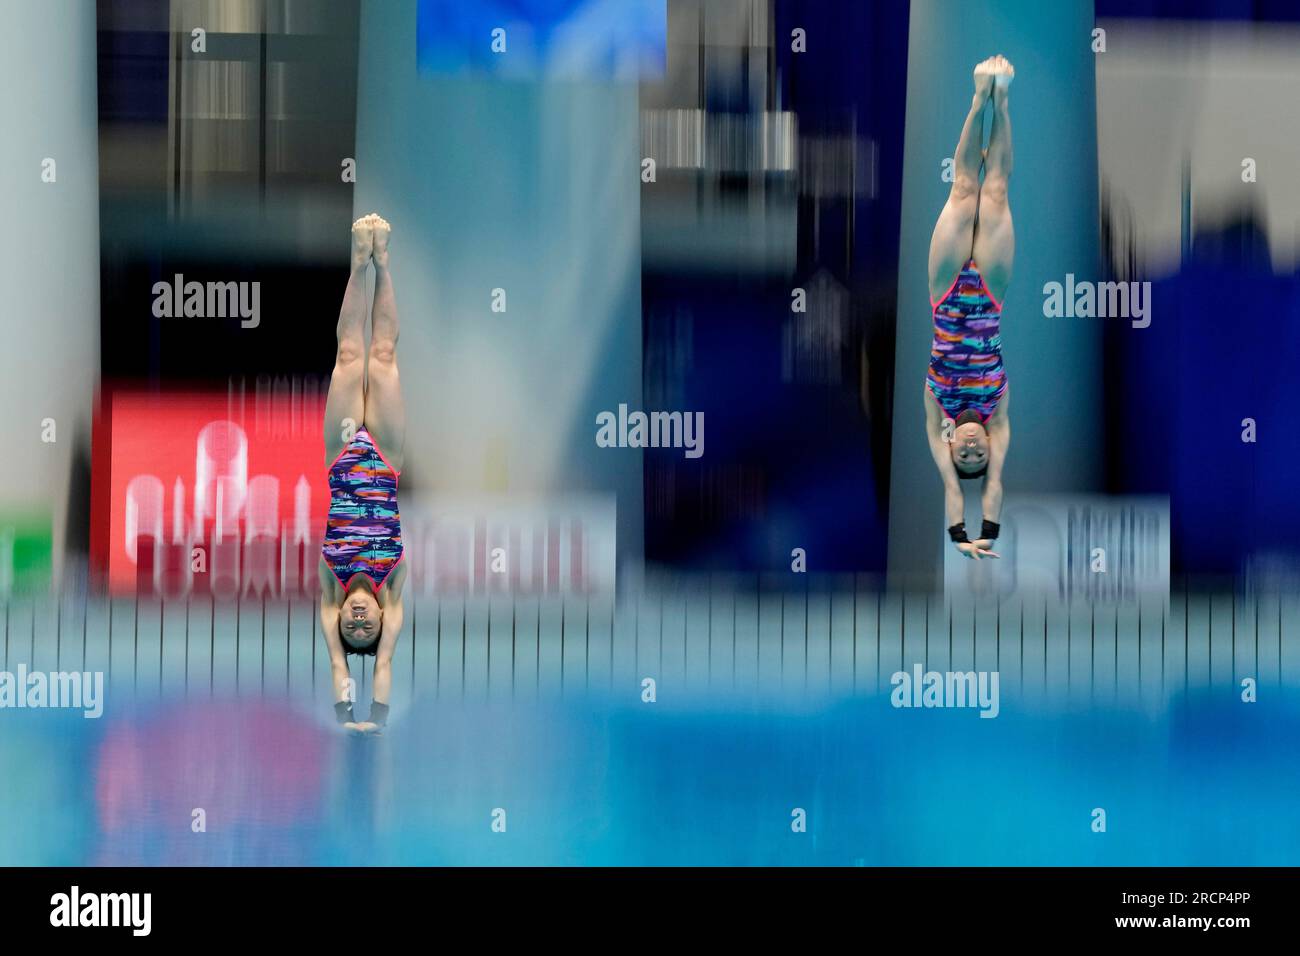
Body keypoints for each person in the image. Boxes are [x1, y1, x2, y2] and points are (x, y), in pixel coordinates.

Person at [319, 213, 407, 733]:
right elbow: (386, 662)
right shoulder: (391, 588)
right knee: (384, 357)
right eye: (363, 629)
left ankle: (358, 262)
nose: (356, 623)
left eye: (349, 628)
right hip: (387, 461)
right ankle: (385, 263)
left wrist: (342, 715)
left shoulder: (330, 585)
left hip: (343, 454)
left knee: (350, 358)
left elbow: (336, 663)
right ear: (377, 620)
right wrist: (372, 717)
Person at [924, 55, 1014, 560]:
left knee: (964, 189)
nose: (975, 449)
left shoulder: (937, 409)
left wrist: (961, 537)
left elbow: (955, 490)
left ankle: (978, 96)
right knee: (996, 191)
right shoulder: (997, 418)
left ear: (952, 444)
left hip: (945, 293)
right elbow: (989, 485)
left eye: (967, 454)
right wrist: (990, 533)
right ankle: (1002, 102)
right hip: (991, 296)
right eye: (981, 455)